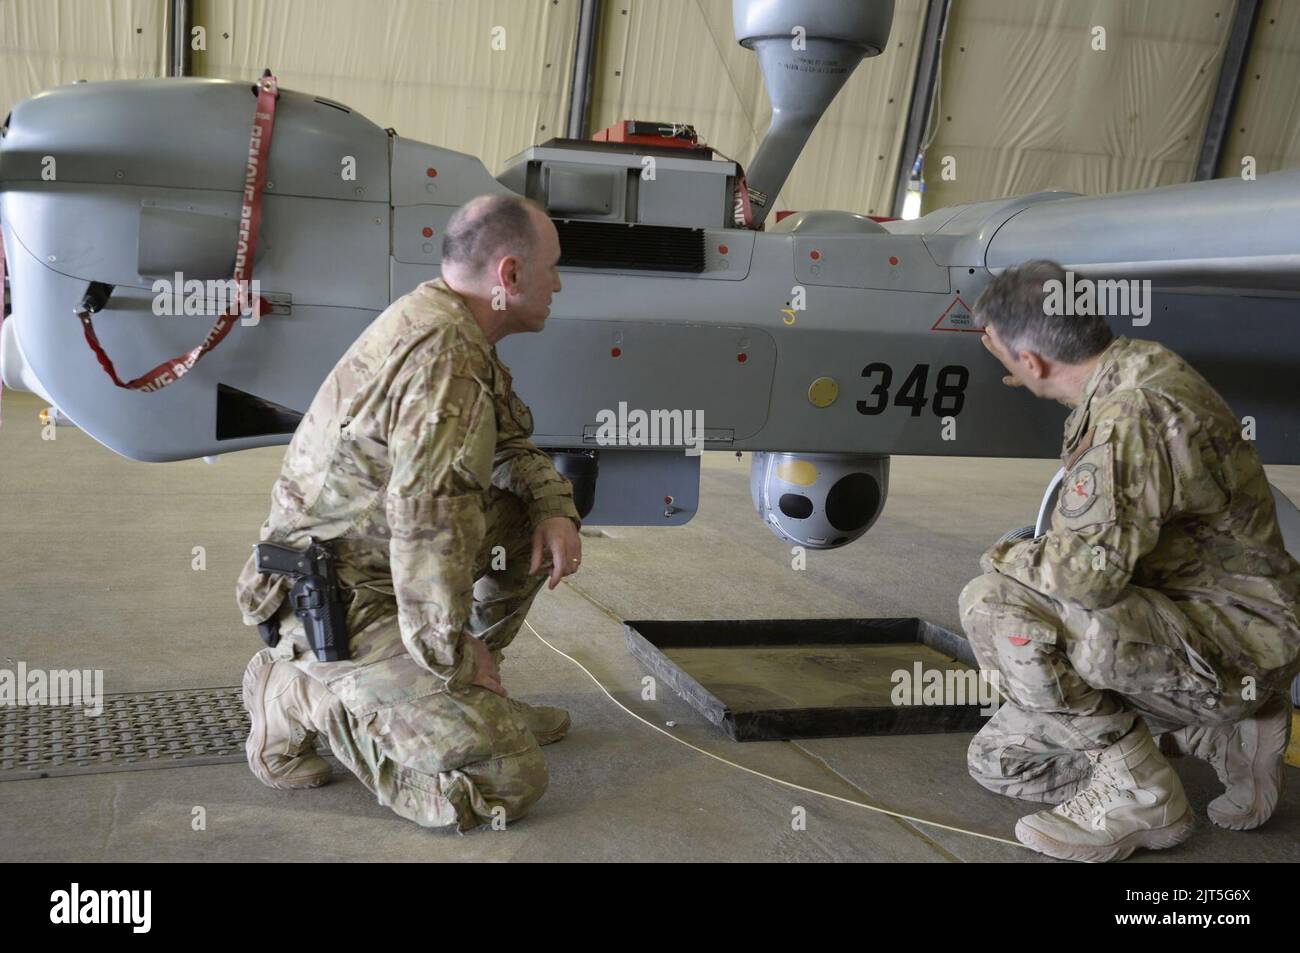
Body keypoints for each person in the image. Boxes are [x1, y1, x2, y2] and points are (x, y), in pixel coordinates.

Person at [234, 193, 582, 831]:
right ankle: (303, 690)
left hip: (377, 565)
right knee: (506, 779)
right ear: (510, 275)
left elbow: (507, 445)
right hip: (336, 599)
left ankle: (466, 696)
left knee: (526, 521)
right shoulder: (443, 360)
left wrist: (554, 506)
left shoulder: (453, 322)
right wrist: (448, 651)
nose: (560, 283)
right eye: (553, 267)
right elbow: (430, 530)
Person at [963, 259, 1300, 862]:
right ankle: (1218, 734)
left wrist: (1008, 553)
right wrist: (1028, 362)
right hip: (1189, 624)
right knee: (998, 763)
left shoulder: (1132, 414)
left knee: (994, 601)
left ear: (1033, 360)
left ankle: (1141, 792)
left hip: (1236, 639)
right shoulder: (1132, 366)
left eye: (1010, 358)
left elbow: (1083, 580)